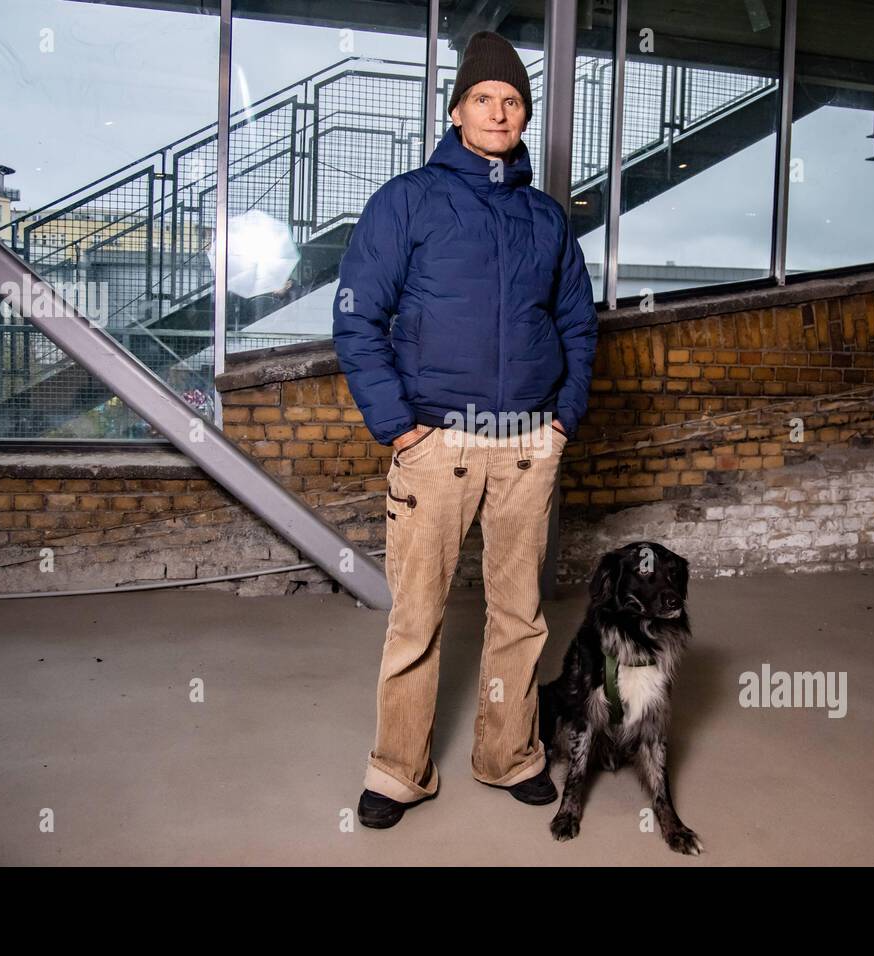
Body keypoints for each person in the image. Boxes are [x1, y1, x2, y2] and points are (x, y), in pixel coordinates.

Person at [332, 30, 598, 829]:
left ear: (525, 117)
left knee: (520, 616)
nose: (499, 111)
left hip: (526, 449)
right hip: (434, 446)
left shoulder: (547, 220)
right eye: (484, 97)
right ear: (457, 110)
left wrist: (561, 424)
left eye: (513, 100)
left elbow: (580, 328)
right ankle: (398, 770)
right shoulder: (406, 201)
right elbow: (356, 319)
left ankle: (508, 753)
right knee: (417, 618)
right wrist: (399, 426)